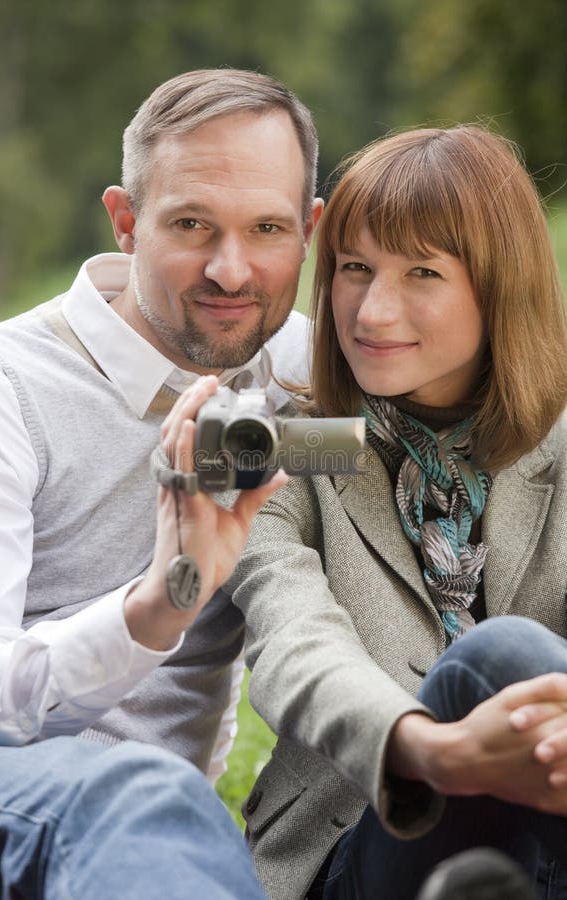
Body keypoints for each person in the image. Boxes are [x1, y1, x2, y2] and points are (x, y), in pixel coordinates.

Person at [220, 125, 567, 899]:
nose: (373, 311)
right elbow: (294, 644)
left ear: (499, 284)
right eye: (354, 268)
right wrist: (430, 750)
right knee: (502, 659)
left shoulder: (560, 447)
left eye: (421, 272)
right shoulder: (286, 450)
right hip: (364, 847)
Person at [0, 68, 322, 785]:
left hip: (180, 826)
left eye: (267, 229)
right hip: (11, 810)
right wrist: (157, 604)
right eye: (192, 224)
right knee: (146, 792)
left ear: (309, 230)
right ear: (126, 223)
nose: (231, 271)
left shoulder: (303, 371)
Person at [0, 377, 278, 897]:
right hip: (47, 799)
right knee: (139, 789)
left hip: (157, 841)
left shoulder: (309, 355)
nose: (235, 288)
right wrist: (152, 610)